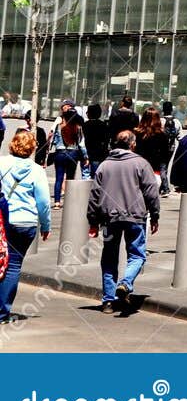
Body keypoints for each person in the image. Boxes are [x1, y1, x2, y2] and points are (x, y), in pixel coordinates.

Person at [87, 130, 161, 311]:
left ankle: (108, 301)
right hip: (135, 216)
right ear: (133, 144)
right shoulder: (141, 164)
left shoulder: (104, 166)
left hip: (109, 218)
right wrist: (155, 215)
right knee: (137, 255)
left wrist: (93, 220)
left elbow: (95, 195)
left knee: (109, 257)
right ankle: (126, 284)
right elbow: (151, 192)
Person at [0, 128, 52, 323]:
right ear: (31, 148)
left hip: (2, 220)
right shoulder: (37, 170)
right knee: (13, 265)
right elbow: (43, 202)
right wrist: (46, 225)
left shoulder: (1, 163)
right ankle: (3, 313)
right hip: (25, 223)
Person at [45, 113, 89, 206]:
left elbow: (54, 141)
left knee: (59, 178)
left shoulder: (59, 127)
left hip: (60, 153)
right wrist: (85, 157)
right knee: (70, 179)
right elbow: (81, 144)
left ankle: (57, 202)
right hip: (73, 154)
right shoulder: (77, 128)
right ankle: (68, 202)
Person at [133, 107, 171, 193]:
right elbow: (165, 155)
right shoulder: (162, 135)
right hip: (155, 171)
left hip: (139, 169)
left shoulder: (138, 133)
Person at [82, 103, 110, 178]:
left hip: (88, 153)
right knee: (97, 176)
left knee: (86, 175)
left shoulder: (85, 125)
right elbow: (107, 140)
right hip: (99, 153)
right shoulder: (103, 125)